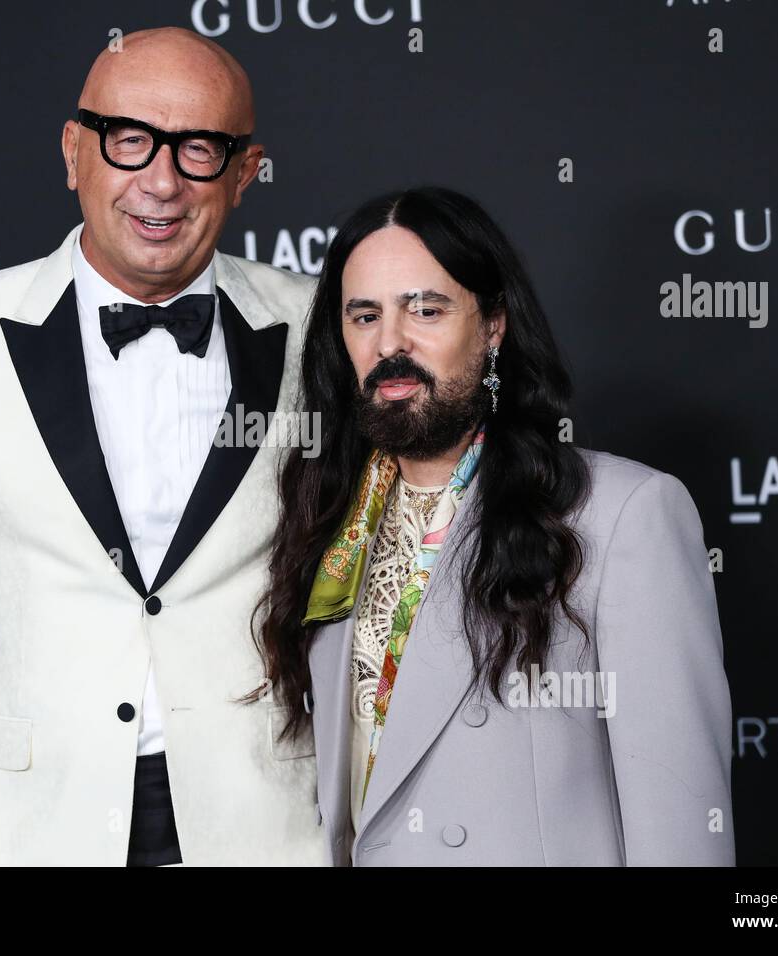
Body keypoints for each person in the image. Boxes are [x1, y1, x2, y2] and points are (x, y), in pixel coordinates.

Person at [0, 27, 327, 865]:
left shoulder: (320, 325)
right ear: (74, 151)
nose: (162, 181)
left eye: (201, 148)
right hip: (28, 834)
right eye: (129, 139)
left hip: (269, 832)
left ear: (246, 172)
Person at [250, 186, 736, 865]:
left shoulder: (622, 514)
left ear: (494, 325)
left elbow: (682, 826)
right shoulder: (329, 528)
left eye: (426, 308)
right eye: (364, 316)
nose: (391, 341)